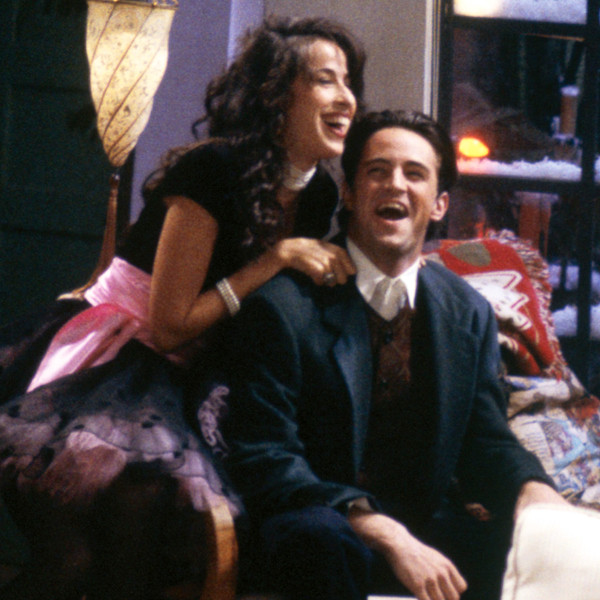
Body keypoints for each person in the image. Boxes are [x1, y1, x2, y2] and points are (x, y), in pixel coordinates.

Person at [0, 16, 364, 600]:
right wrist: (274, 259)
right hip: (115, 355)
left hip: (191, 372)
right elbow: (169, 327)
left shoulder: (318, 191)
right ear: (277, 95)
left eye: (348, 81)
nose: (346, 97)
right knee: (71, 564)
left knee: (138, 555)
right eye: (325, 80)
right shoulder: (213, 169)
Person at [221, 109, 569, 600]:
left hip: (426, 528)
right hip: (321, 524)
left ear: (440, 204)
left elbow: (484, 442)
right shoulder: (282, 306)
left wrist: (535, 493)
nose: (395, 185)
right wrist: (380, 529)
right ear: (349, 192)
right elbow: (265, 456)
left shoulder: (468, 312)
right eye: (377, 171)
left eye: (415, 173)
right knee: (318, 539)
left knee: (536, 549)